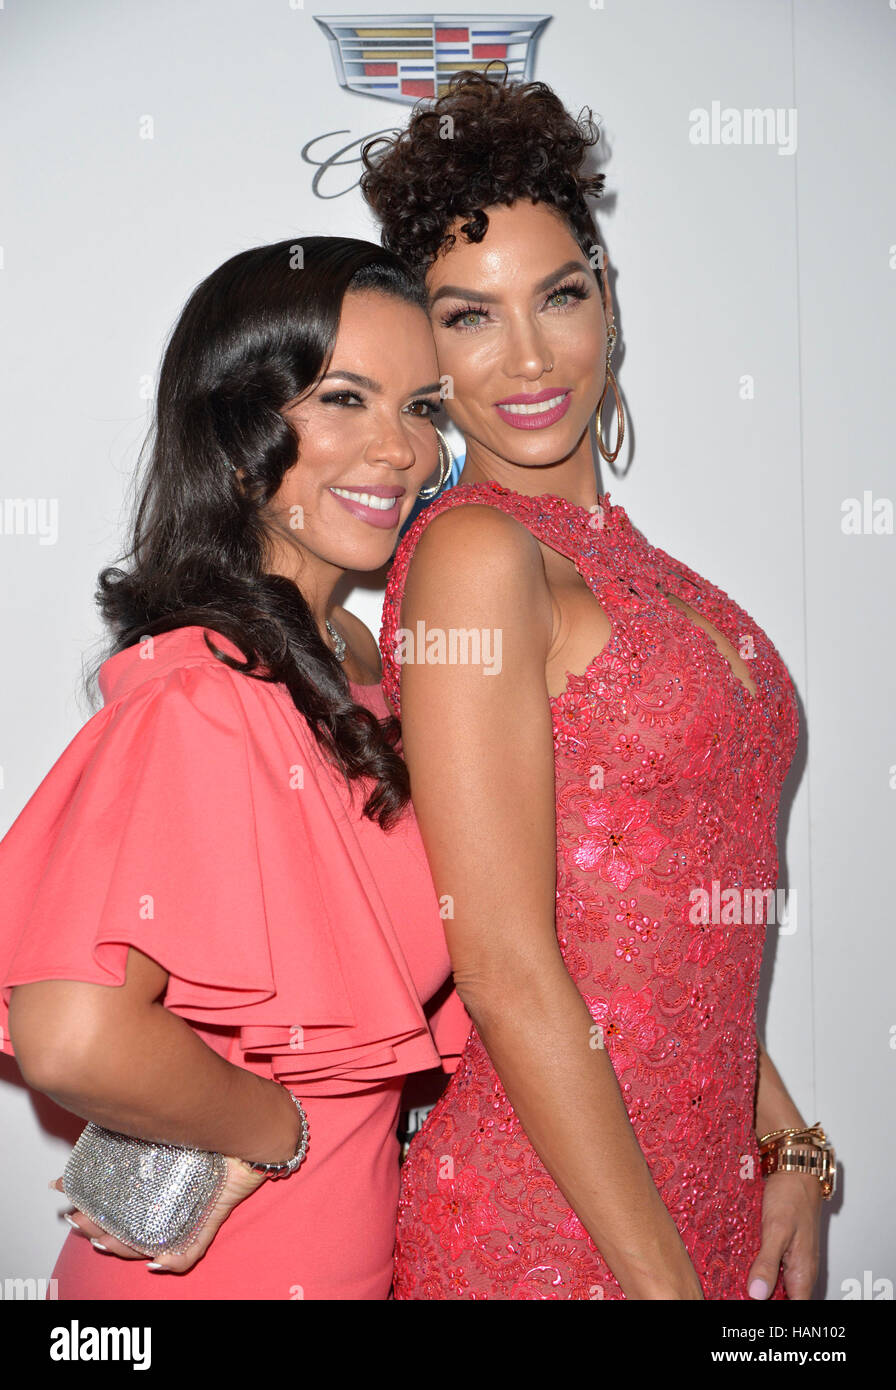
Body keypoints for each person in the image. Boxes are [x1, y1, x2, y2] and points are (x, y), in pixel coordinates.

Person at [360, 70, 834, 1300]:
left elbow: (660, 935)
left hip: (699, 1192)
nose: (525, 355)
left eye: (558, 296)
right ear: (427, 346)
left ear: (607, 301)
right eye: (468, 317)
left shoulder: (636, 565)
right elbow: (509, 965)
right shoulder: (474, 555)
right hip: (558, 1230)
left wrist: (778, 1137)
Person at [0, 235, 469, 1299]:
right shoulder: (205, 695)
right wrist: (278, 1128)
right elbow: (71, 1035)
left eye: (420, 407)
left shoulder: (355, 665)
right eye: (345, 398)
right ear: (236, 426)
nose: (397, 449)